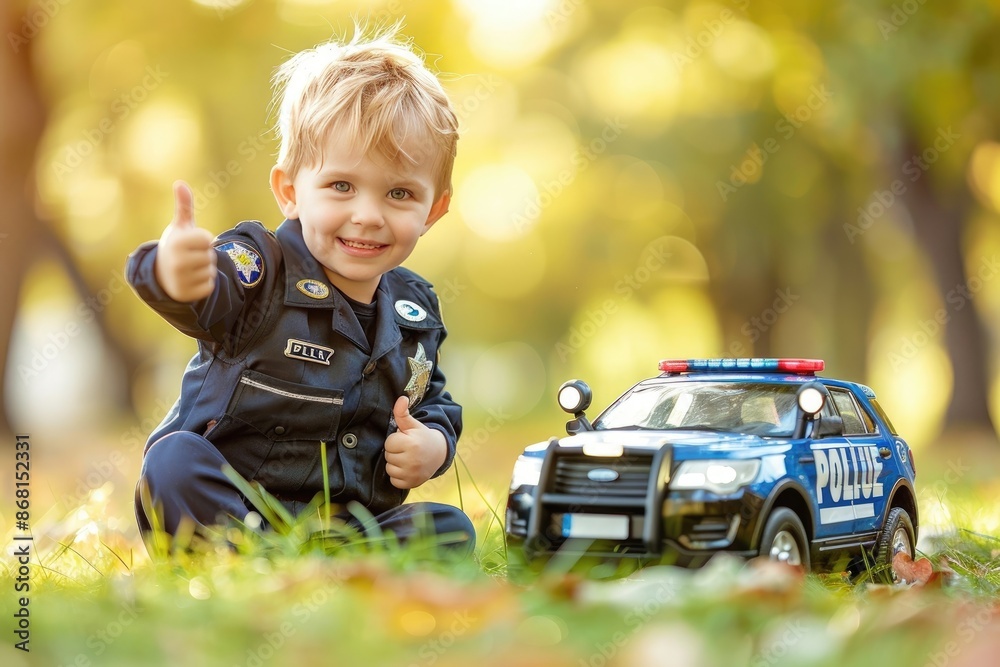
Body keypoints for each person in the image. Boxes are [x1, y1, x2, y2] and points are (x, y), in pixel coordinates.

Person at [125, 25, 473, 555]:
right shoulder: (261, 264)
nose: (367, 215)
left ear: (434, 210)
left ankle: (334, 567)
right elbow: (208, 291)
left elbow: (431, 401)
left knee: (448, 530)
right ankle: (247, 560)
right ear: (291, 191)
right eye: (341, 186)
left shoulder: (414, 310)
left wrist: (433, 446)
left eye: (399, 193)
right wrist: (175, 274)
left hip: (348, 526)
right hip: (237, 508)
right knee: (173, 464)